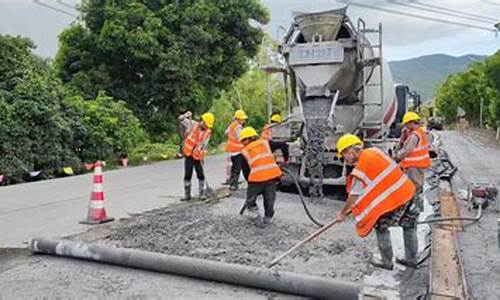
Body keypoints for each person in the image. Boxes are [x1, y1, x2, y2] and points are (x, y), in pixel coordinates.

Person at [334, 134, 418, 270]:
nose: (345, 159)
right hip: (407, 191)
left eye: (344, 155)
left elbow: (354, 196)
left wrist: (342, 213)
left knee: (381, 227)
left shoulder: (361, 167)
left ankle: (387, 262)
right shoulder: (376, 151)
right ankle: (412, 260)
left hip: (396, 198)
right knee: (409, 226)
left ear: (350, 150)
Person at [239, 127, 282, 226]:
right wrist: (285, 158)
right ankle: (268, 218)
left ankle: (256, 218)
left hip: (256, 179)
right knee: (269, 200)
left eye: (243, 140)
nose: (242, 143)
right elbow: (283, 145)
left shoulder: (245, 151)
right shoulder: (265, 143)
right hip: (271, 178)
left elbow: (246, 171)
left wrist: (250, 184)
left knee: (250, 200)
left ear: (250, 138)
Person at [393, 112, 431, 212]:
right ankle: (417, 206)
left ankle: (415, 209)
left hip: (413, 166)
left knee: (415, 186)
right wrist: (403, 136)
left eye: (406, 124)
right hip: (418, 164)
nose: (406, 126)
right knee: (417, 186)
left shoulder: (414, 135)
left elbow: (407, 150)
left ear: (411, 123)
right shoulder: (419, 132)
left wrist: (397, 157)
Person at [181, 112, 215, 201]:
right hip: (188, 154)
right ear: (202, 121)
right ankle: (187, 195)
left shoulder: (208, 132)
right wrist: (185, 115)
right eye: (206, 124)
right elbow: (181, 119)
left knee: (201, 175)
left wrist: (202, 155)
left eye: (208, 126)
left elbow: (204, 145)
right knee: (187, 174)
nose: (207, 127)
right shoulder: (193, 124)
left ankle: (201, 194)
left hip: (197, 156)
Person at [225, 109, 248, 191]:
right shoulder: (238, 127)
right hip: (237, 151)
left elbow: (226, 132)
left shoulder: (232, 125)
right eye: (243, 119)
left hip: (231, 151)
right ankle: (234, 185)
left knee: (234, 168)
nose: (244, 120)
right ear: (238, 119)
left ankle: (232, 183)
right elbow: (240, 137)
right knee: (237, 168)